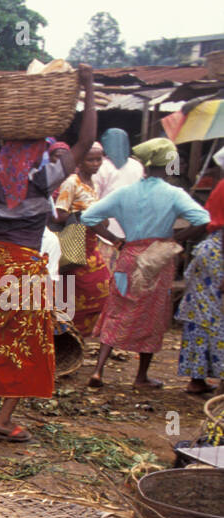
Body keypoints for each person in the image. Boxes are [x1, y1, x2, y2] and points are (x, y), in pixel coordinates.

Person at [0, 67, 98, 442]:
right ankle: (4, 420)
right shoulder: (42, 178)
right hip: (23, 266)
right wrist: (87, 87)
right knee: (28, 342)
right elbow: (86, 141)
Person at [81, 137, 211, 389]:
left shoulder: (125, 192)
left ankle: (98, 370)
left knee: (117, 309)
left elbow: (88, 216)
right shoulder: (174, 194)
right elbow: (202, 220)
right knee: (152, 315)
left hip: (128, 255)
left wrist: (115, 239)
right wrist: (175, 238)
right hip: (158, 259)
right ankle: (141, 376)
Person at [52, 142, 119, 337]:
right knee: (85, 291)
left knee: (98, 291)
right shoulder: (72, 182)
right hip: (75, 244)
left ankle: (77, 336)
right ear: (80, 161)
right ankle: (68, 335)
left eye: (99, 159)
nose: (96, 163)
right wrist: (85, 216)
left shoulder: (92, 183)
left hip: (90, 245)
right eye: (91, 159)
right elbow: (59, 214)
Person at [175, 153, 224, 395]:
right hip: (219, 254)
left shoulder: (220, 187)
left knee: (202, 314)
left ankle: (197, 377)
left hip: (210, 251)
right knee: (215, 316)